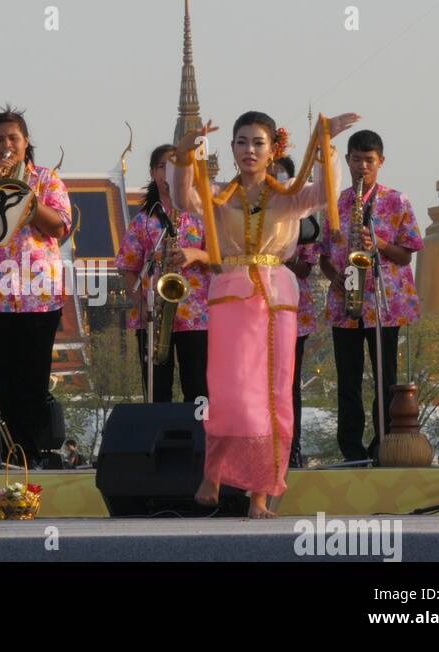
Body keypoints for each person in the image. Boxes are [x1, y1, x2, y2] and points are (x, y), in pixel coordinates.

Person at [173, 110, 359, 518]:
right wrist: (185, 158)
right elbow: (182, 200)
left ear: (274, 148)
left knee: (272, 394)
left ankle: (261, 493)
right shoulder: (218, 193)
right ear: (233, 148)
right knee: (229, 390)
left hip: (275, 297)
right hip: (231, 292)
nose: (249, 150)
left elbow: (326, 194)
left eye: (258, 143)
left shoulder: (289, 196)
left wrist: (326, 148)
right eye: (241, 142)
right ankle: (215, 470)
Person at [0, 106, 71, 467]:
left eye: (14, 138)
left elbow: (60, 227)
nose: (7, 145)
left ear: (26, 143)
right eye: (0, 139)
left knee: (32, 383)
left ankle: (29, 457)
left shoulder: (47, 180)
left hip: (37, 298)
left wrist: (24, 195)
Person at [319, 130, 423, 464]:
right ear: (347, 160)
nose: (362, 166)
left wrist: (377, 244)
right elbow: (322, 255)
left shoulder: (397, 201)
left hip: (383, 303)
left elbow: (407, 255)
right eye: (356, 159)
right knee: (347, 380)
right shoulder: (335, 204)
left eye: (369, 160)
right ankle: (351, 449)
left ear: (380, 162)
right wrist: (336, 279)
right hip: (345, 302)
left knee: (385, 379)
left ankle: (384, 446)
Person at [115, 144, 209, 403]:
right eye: (163, 167)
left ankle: (200, 441)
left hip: (196, 316)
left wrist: (196, 255)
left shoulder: (202, 215)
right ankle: (161, 442)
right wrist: (140, 306)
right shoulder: (143, 220)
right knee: (157, 392)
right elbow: (128, 267)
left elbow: (220, 260)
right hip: (154, 317)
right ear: (153, 173)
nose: (169, 173)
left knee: (198, 389)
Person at [274, 156, 320, 469]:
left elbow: (305, 267)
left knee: (288, 383)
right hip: (253, 307)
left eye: (281, 178)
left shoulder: (303, 218)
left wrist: (273, 260)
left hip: (292, 308)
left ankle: (292, 447)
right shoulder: (246, 210)